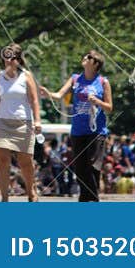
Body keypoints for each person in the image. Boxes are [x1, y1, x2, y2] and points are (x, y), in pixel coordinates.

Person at [53, 51, 112, 202]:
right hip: (78, 130)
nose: (84, 58)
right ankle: (86, 197)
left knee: (92, 165)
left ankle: (90, 198)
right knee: (80, 167)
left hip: (96, 130)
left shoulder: (103, 82)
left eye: (89, 57)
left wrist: (97, 102)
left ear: (96, 64)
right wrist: (47, 93)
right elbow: (59, 95)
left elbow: (109, 108)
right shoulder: (75, 79)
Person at [0, 42, 42, 201]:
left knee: (25, 162)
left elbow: (34, 100)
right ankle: (4, 197)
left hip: (23, 122)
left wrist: (37, 121)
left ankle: (31, 191)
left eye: (12, 58)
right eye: (6, 58)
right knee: (2, 161)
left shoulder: (26, 76)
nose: (9, 61)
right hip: (1, 122)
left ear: (19, 59)